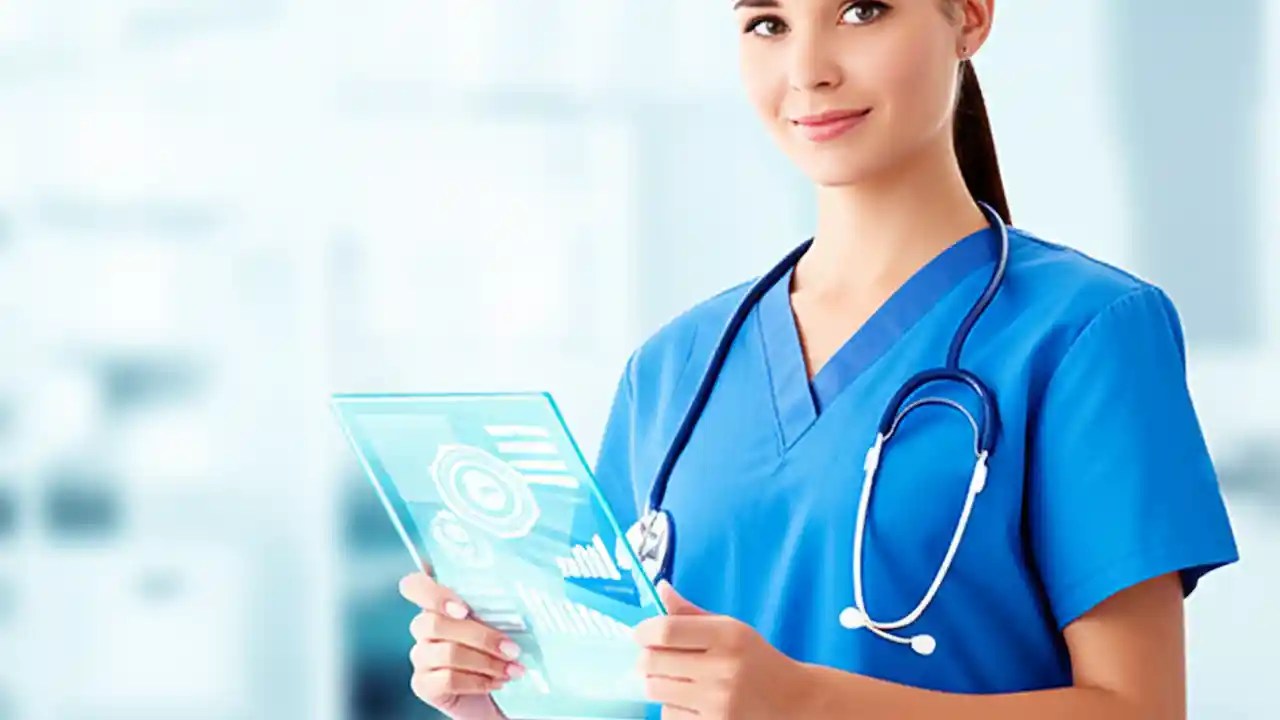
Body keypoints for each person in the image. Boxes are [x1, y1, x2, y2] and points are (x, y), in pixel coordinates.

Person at [397, 1, 1240, 718]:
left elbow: (1137, 708)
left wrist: (804, 702)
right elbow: (622, 692)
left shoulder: (1085, 331)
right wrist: (500, 690)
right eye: (766, 22)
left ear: (971, 16)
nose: (807, 69)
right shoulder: (673, 367)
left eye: (862, 10)